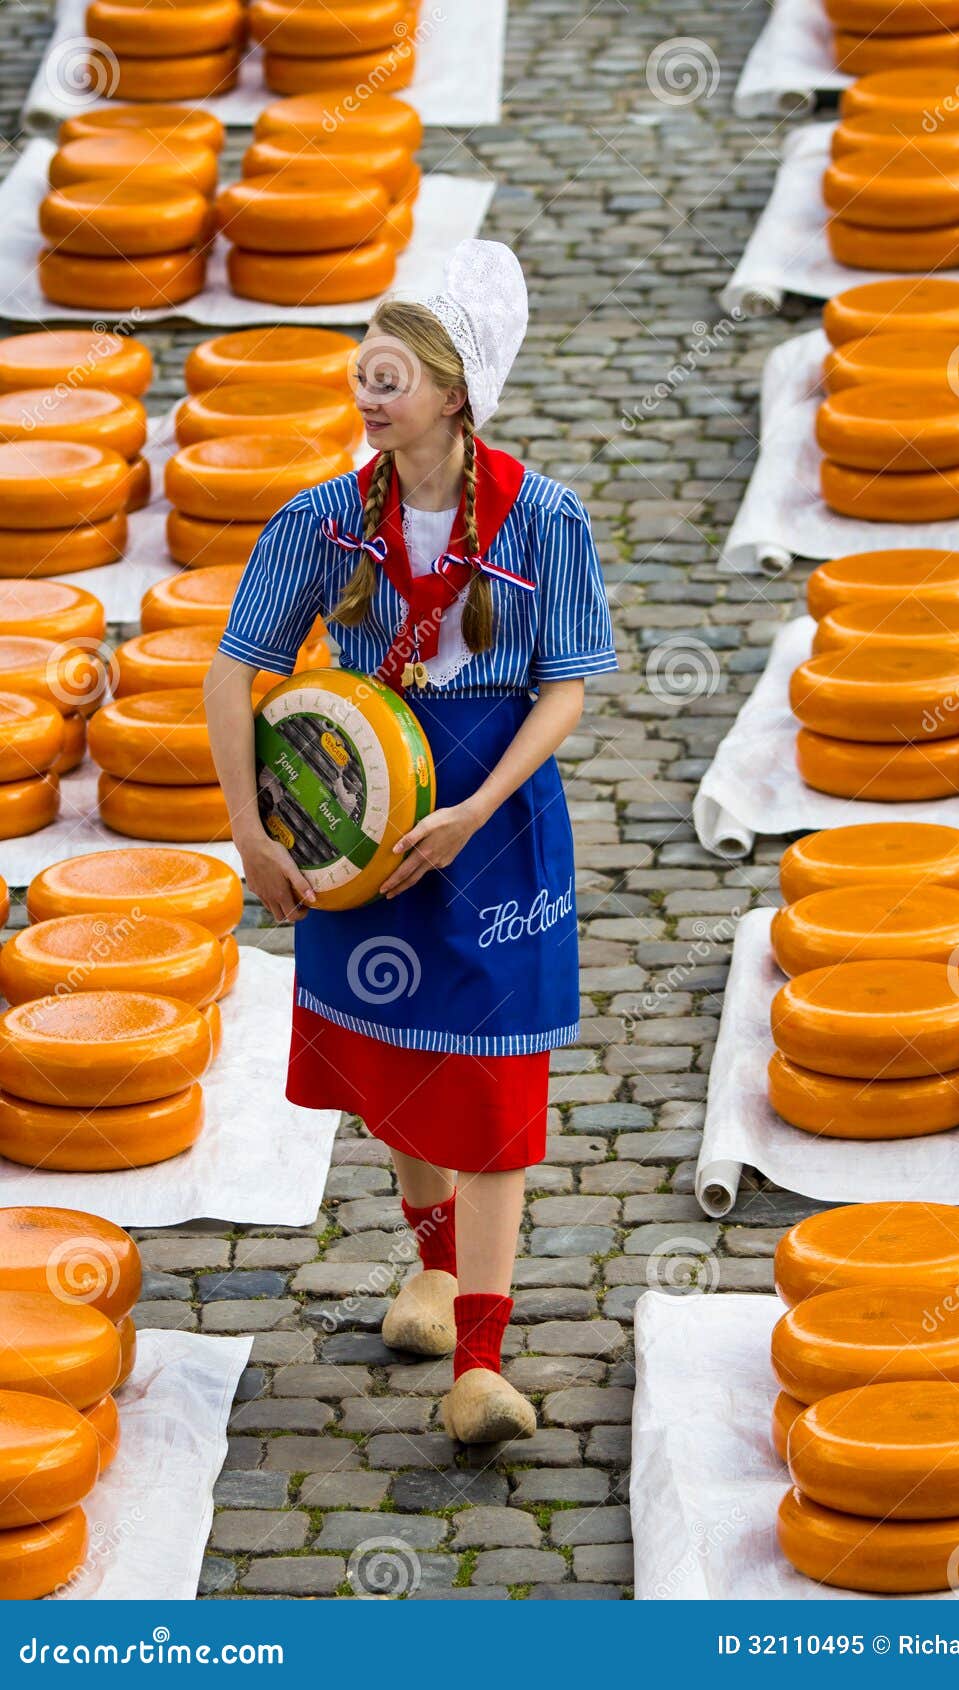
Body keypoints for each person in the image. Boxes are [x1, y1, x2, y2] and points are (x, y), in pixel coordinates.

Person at [207, 239, 616, 1444]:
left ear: (454, 392)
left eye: (391, 375)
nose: (367, 391)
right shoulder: (323, 520)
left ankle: (479, 1363)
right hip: (358, 803)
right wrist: (250, 831)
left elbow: (565, 690)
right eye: (365, 370)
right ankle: (431, 1270)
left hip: (492, 820)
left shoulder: (545, 518)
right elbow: (233, 672)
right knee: (396, 1059)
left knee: (489, 1078)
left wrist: (477, 810)